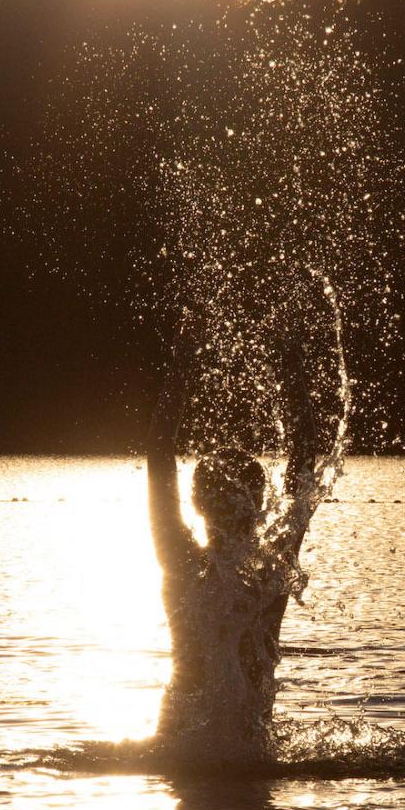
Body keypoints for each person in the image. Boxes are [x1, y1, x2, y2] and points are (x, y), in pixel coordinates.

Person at [146, 314, 326, 766]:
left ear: (196, 505)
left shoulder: (180, 562)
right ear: (260, 503)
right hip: (253, 749)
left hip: (180, 748)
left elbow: (158, 458)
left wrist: (180, 370)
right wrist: (293, 373)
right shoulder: (275, 567)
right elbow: (304, 462)